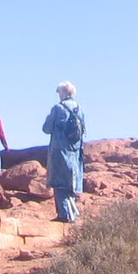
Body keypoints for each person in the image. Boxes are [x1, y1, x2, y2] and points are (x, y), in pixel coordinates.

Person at [40, 81, 84, 222]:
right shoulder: (79, 109)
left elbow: (46, 128)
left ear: (64, 93)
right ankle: (72, 214)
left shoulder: (58, 108)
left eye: (59, 92)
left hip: (59, 150)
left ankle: (65, 215)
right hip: (75, 151)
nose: (59, 95)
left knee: (59, 183)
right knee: (70, 183)